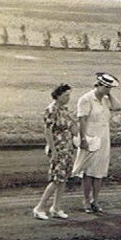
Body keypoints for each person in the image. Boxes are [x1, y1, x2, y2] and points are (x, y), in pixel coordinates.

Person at [71, 72, 121, 213]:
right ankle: (86, 201)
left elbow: (118, 107)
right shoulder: (86, 99)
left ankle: (96, 201)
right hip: (91, 137)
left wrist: (109, 95)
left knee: (99, 170)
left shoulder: (106, 99)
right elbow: (82, 120)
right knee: (88, 171)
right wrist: (82, 139)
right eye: (105, 87)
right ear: (97, 85)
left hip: (104, 137)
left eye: (110, 88)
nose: (107, 90)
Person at [32, 83, 76, 220]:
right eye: (66, 95)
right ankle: (39, 207)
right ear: (58, 95)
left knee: (63, 179)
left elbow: (74, 130)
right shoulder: (52, 110)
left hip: (67, 147)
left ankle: (56, 207)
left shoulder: (65, 110)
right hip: (58, 147)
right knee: (57, 179)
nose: (68, 98)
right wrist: (53, 150)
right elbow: (48, 131)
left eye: (69, 95)